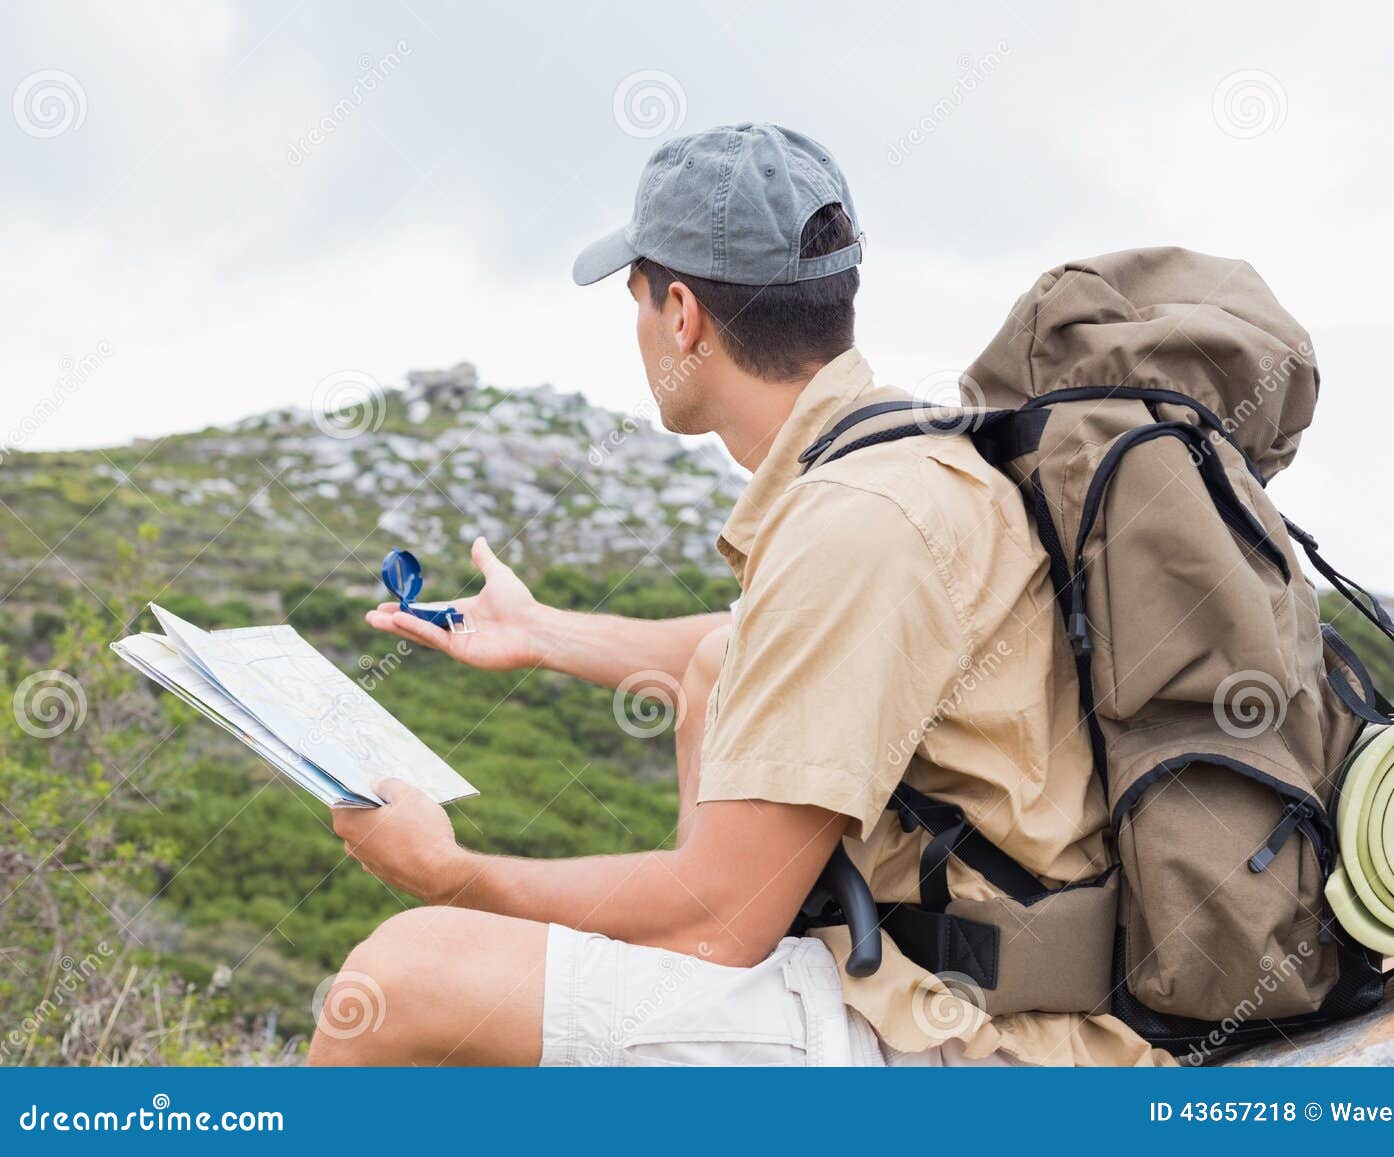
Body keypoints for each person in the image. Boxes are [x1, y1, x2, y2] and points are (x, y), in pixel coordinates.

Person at [308, 123, 1168, 1067]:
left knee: (401, 975)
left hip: (980, 1042)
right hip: (935, 980)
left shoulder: (857, 520)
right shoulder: (900, 460)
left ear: (682, 316)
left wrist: (452, 873)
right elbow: (758, 649)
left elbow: (719, 923)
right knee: (717, 665)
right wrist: (540, 631)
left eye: (635, 299)